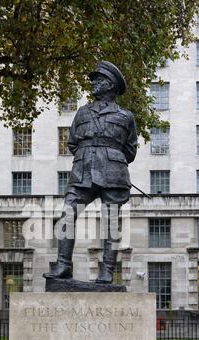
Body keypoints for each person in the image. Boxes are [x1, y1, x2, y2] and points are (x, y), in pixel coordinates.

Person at [44, 61, 138, 283]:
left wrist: (108, 156)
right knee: (67, 214)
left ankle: (107, 271)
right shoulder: (82, 112)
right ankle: (63, 266)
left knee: (110, 222)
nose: (93, 83)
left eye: (98, 80)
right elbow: (73, 142)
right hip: (83, 171)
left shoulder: (126, 116)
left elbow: (131, 150)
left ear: (110, 85)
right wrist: (91, 154)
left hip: (113, 173)